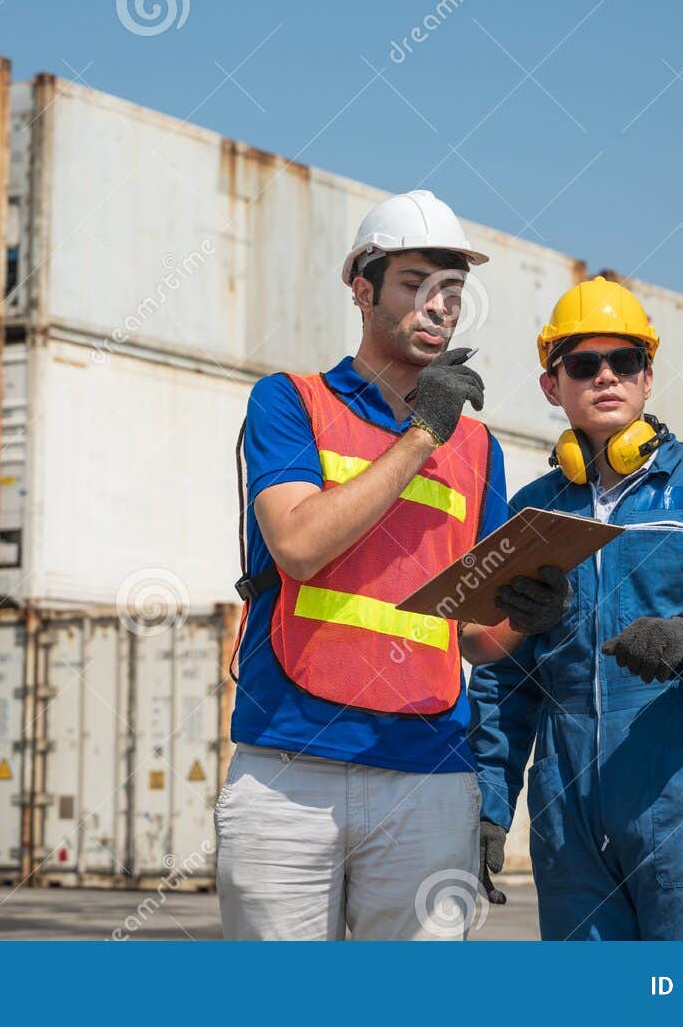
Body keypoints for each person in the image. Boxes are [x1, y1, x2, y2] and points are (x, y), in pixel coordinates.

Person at [467, 276, 683, 941]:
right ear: (553, 385)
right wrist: (489, 801)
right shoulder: (533, 517)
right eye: (583, 363)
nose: (606, 376)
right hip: (567, 818)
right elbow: (501, 676)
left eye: (624, 360)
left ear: (648, 375)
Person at [217, 190, 512, 940]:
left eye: (451, 290)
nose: (437, 305)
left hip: (431, 768)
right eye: (414, 283)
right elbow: (299, 545)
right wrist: (420, 437)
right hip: (290, 764)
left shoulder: (480, 450)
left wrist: (531, 614)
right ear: (363, 288)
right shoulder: (291, 403)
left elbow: (479, 635)